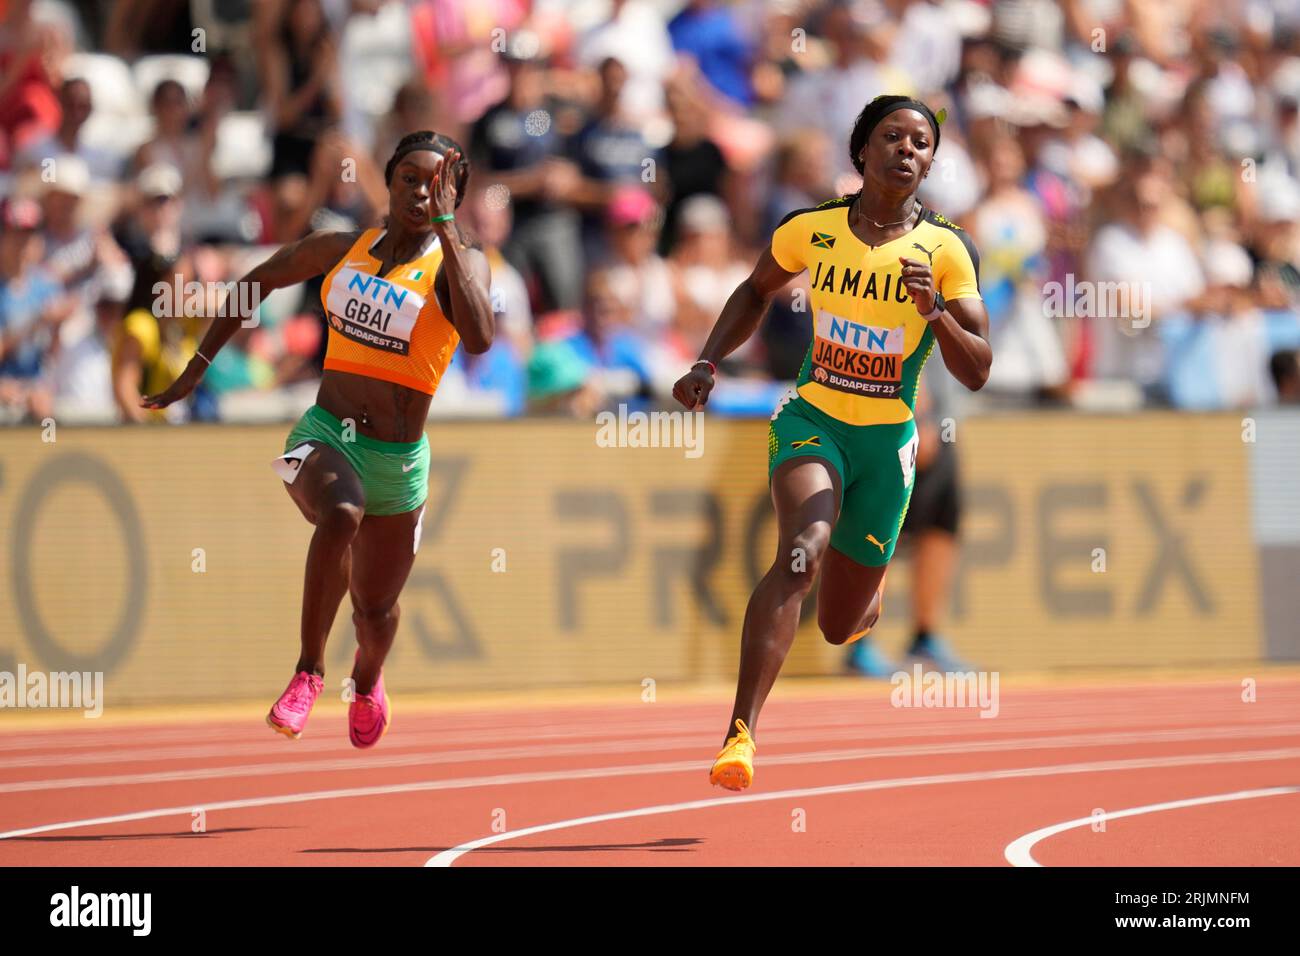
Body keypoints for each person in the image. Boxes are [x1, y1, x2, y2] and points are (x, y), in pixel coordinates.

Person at [672, 95, 991, 791]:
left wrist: (933, 312)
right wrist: (707, 361)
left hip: (887, 444)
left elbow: (978, 369)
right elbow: (754, 291)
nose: (908, 150)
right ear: (862, 150)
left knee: (841, 626)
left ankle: (864, 591)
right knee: (801, 552)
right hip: (812, 419)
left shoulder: (945, 250)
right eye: (892, 137)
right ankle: (741, 734)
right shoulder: (811, 229)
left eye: (922, 142)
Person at [140, 130, 494, 748]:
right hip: (326, 432)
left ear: (454, 194)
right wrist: (196, 368)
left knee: (374, 613)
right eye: (409, 176)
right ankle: (308, 671)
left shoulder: (460, 261)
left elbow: (481, 337)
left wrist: (446, 230)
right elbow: (261, 278)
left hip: (399, 462)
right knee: (341, 511)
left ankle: (367, 674)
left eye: (436, 182)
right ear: (388, 180)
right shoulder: (342, 249)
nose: (419, 190)